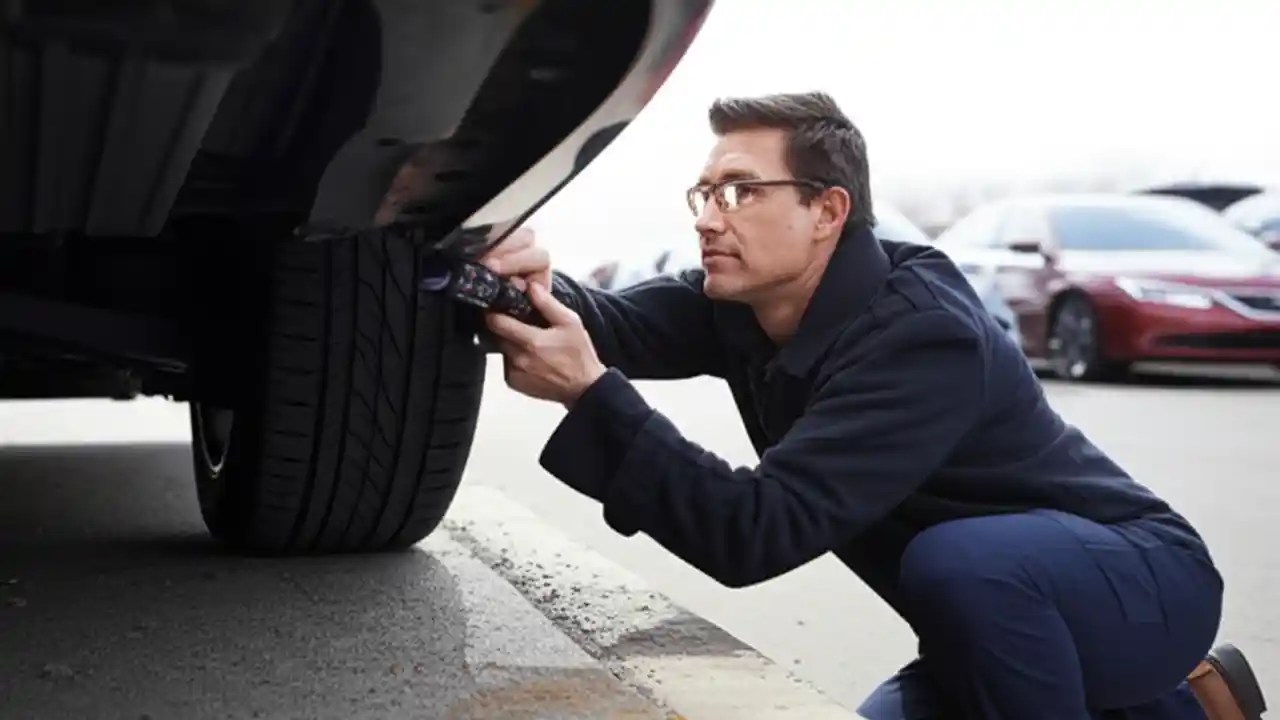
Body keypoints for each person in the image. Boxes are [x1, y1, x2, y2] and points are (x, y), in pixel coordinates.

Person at [476, 91, 1265, 719]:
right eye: (707, 190)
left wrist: (589, 391)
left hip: (1138, 581)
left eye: (742, 191)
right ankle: (1180, 706)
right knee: (958, 589)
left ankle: (1159, 675)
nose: (708, 215)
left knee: (961, 562)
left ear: (828, 211)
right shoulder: (745, 302)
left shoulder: (922, 335)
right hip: (986, 613)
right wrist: (518, 280)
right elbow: (609, 323)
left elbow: (756, 532)